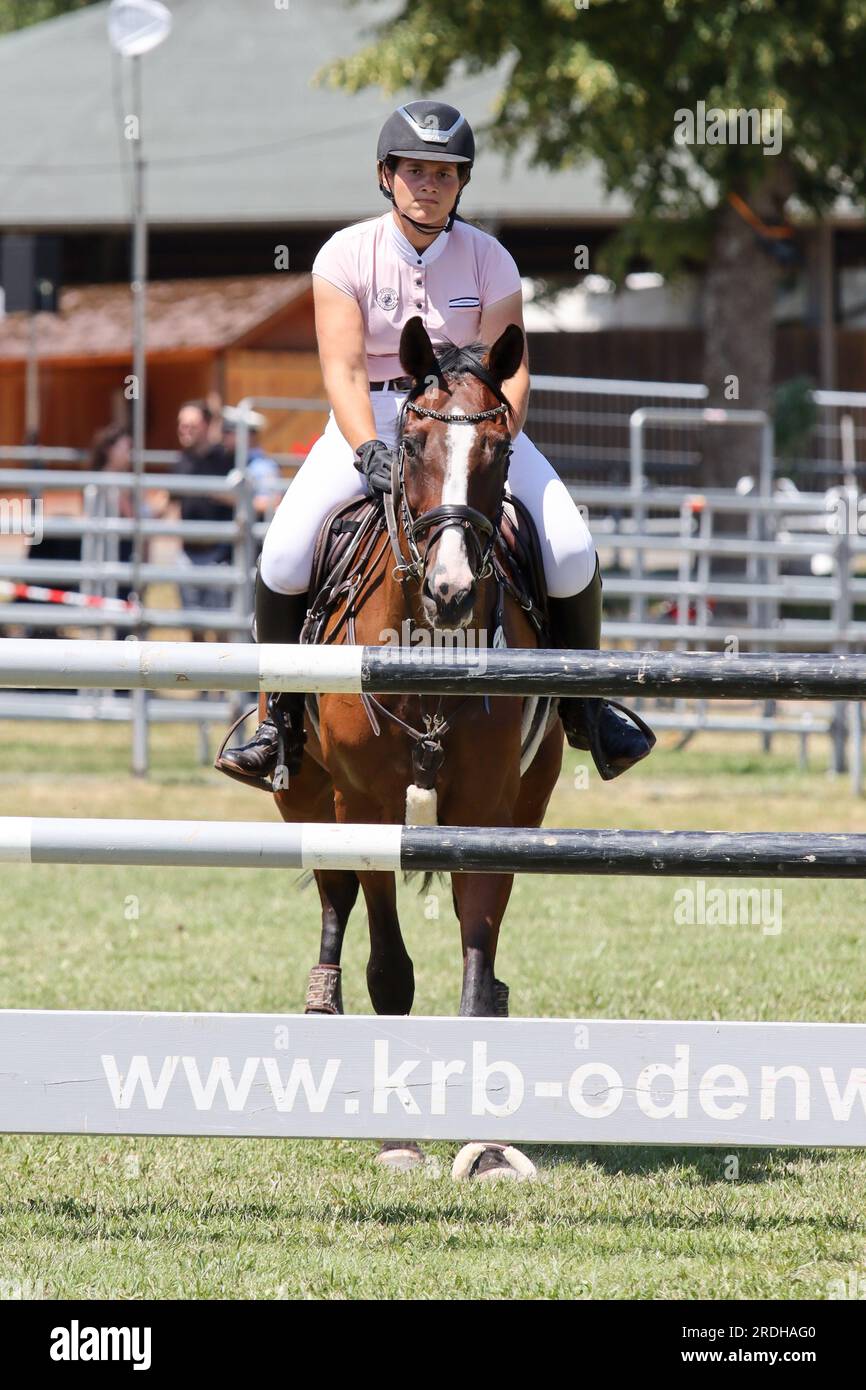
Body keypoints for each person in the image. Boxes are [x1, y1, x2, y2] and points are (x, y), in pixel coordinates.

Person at [216, 100, 653, 785]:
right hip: (372, 421)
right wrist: (368, 448)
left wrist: (499, 438)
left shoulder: (490, 259)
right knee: (286, 552)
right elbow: (345, 369)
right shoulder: (344, 255)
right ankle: (278, 720)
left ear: (462, 184)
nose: (429, 184)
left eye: (445, 174)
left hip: (474, 429)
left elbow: (514, 365)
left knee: (569, 547)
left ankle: (585, 709)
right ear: (386, 175)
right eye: (414, 170)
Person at [173, 401, 235, 621]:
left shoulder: (224, 459)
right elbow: (169, 498)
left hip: (217, 555)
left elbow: (241, 497)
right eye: (182, 424)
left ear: (207, 426)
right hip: (187, 554)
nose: (185, 429)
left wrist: (216, 492)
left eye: (192, 425)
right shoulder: (182, 461)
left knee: (223, 628)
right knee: (193, 625)